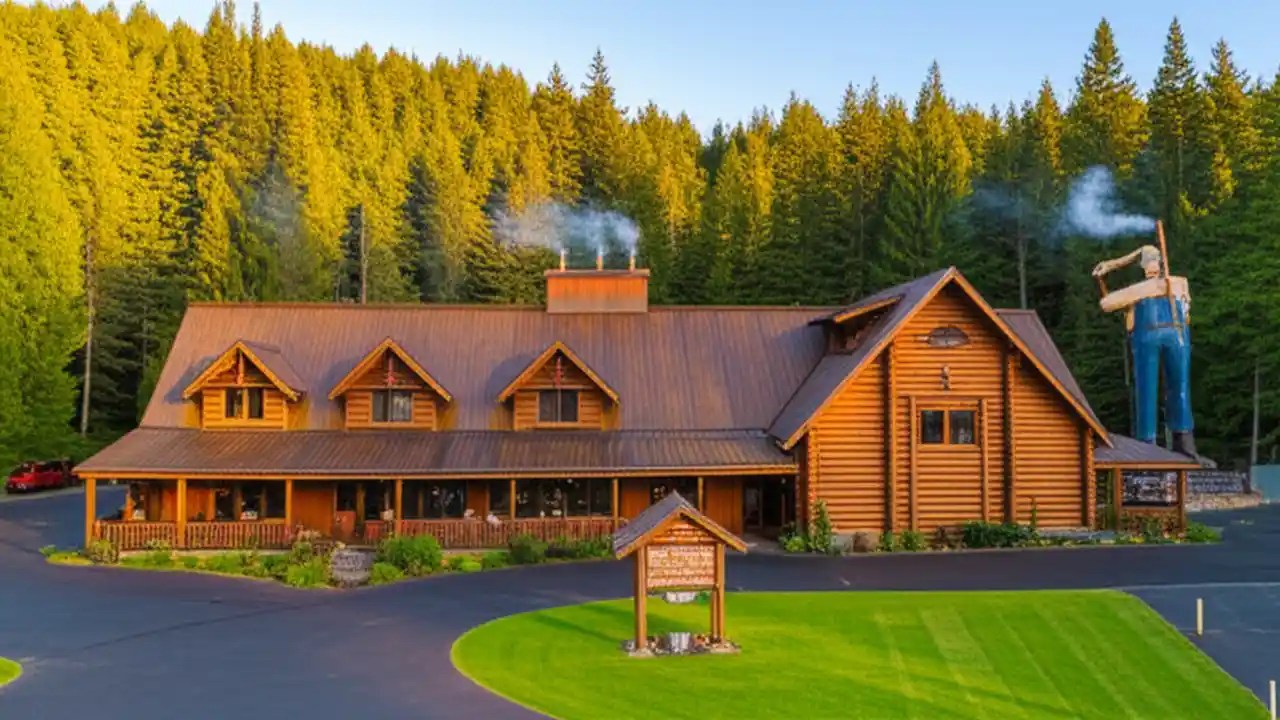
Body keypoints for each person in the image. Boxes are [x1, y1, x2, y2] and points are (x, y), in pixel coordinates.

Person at [1092, 245, 1195, 455]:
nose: (1151, 269)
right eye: (1147, 263)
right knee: (1148, 389)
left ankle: (1182, 442)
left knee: (1179, 386)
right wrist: (1113, 265)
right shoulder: (1142, 289)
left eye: (1154, 262)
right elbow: (1106, 304)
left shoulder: (1175, 284)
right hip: (1150, 336)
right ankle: (1148, 444)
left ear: (1161, 264)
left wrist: (1111, 268)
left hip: (1175, 334)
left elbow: (1107, 302)